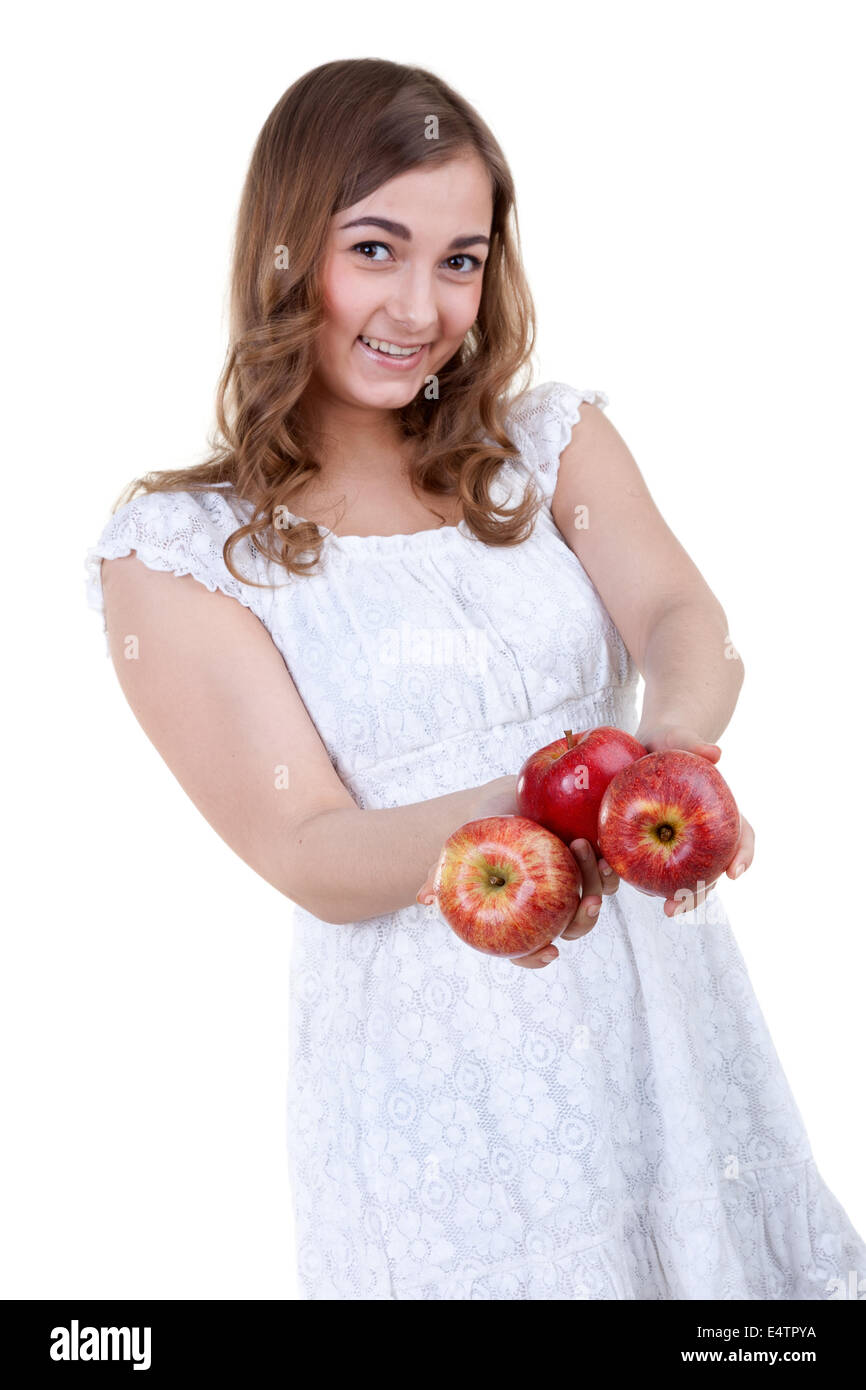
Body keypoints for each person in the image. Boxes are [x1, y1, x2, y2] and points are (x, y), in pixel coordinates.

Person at [84, 58, 865, 1300]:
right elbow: (309, 850)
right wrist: (569, 798)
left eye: (458, 259)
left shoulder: (543, 445)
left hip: (658, 1012)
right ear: (287, 251)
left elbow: (683, 617)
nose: (419, 306)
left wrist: (659, 757)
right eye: (375, 248)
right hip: (441, 1086)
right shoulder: (184, 554)